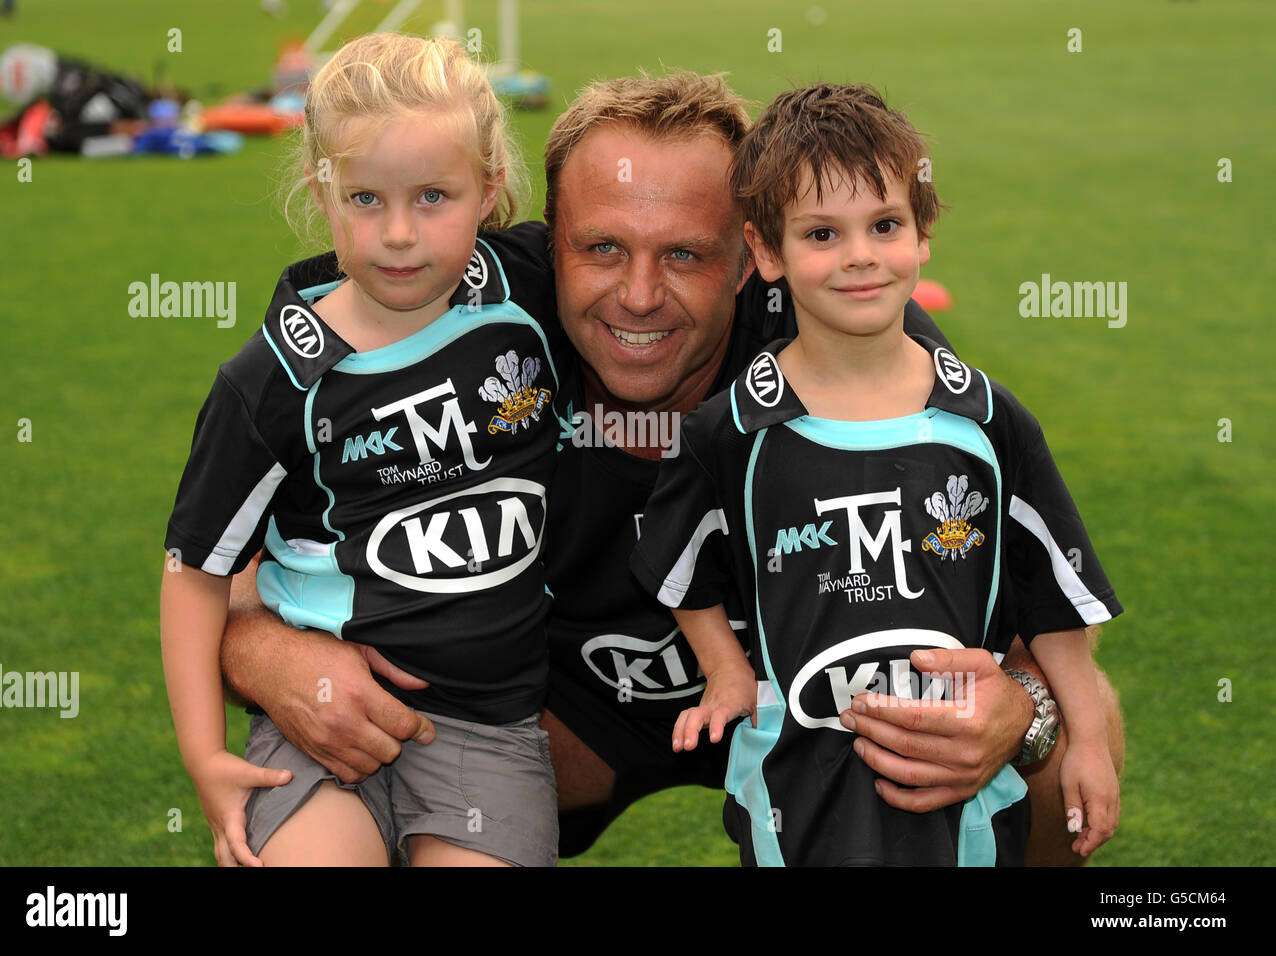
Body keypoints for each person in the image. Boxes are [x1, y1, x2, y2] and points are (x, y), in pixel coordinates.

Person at [221, 71, 1125, 866]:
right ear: (545, 240)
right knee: (339, 763)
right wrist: (270, 656)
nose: (641, 295)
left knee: (1053, 751)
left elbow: (1031, 632)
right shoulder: (463, 315)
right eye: (602, 248)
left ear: (753, 258)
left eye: (686, 255)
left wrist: (1022, 720)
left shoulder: (859, 357)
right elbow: (230, 567)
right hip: (556, 708)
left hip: (803, 701)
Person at [629, 83, 1123, 865]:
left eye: (884, 225)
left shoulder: (988, 422)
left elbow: (1054, 600)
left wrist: (1087, 743)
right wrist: (726, 674)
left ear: (923, 235)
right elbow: (679, 567)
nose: (859, 255)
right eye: (822, 233)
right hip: (795, 783)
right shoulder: (730, 432)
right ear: (764, 253)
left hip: (962, 782)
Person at [161, 33, 564, 868]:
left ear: (489, 190)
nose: (401, 235)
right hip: (314, 723)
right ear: (321, 192)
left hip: (489, 732)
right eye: (367, 200)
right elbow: (194, 569)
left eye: (433, 196)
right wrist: (203, 757)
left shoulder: (525, 287)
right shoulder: (273, 379)